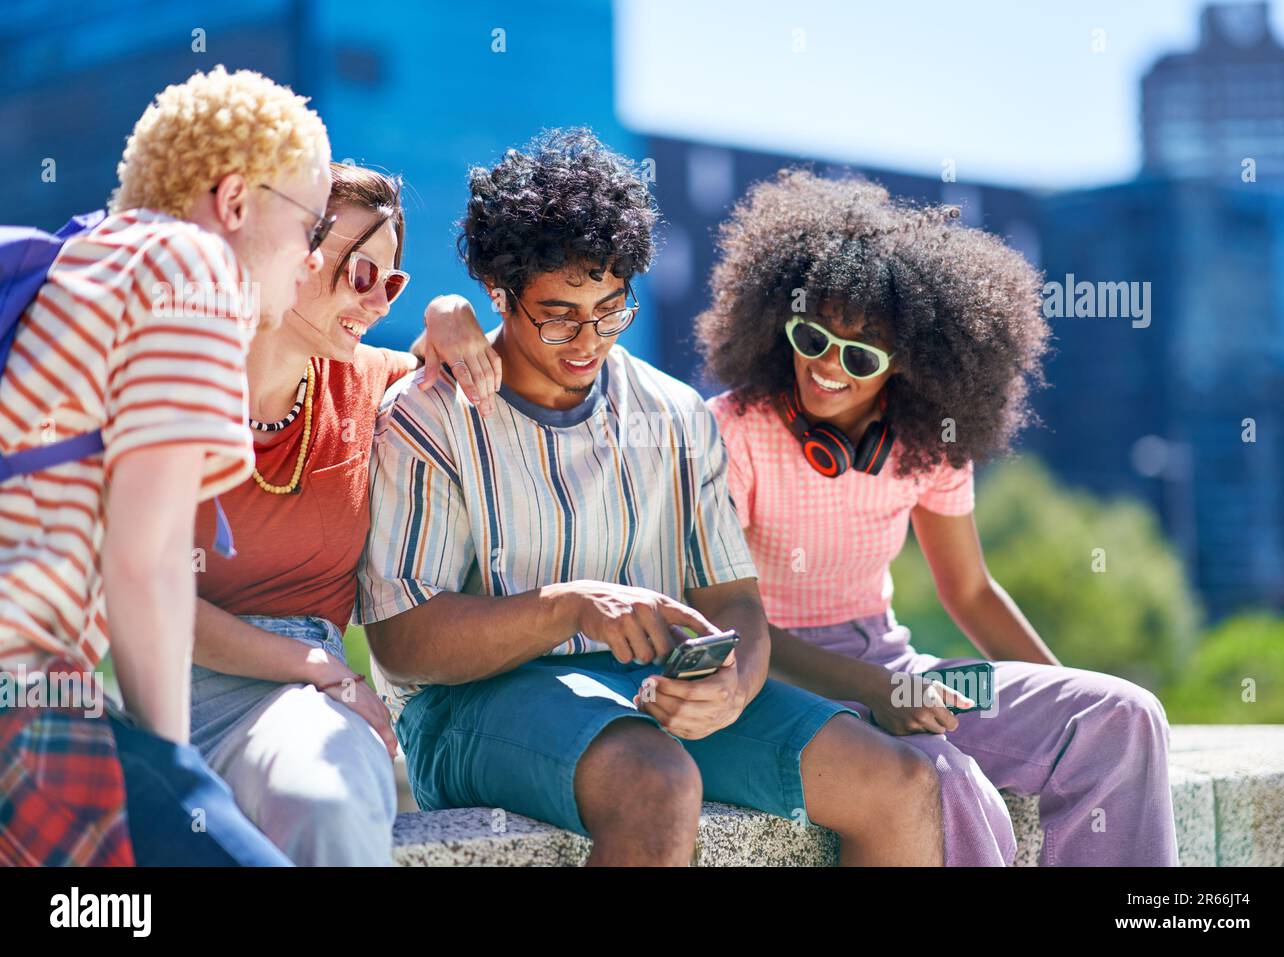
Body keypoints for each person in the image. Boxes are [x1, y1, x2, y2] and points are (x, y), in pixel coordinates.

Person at [358, 129, 948, 866]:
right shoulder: (428, 415)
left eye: (610, 309)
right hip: (466, 705)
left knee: (898, 780)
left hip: (649, 688)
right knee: (658, 780)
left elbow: (736, 603)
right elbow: (403, 640)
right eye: (559, 314)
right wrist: (570, 607)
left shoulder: (674, 413)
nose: (588, 339)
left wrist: (733, 686)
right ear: (498, 295)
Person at [695, 169, 1178, 866]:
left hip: (890, 658)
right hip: (773, 669)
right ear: (780, 326)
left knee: (1124, 716)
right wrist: (875, 691)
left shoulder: (932, 439)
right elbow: (726, 618)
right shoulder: (734, 429)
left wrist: (1057, 703)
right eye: (813, 337)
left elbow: (971, 591)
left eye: (860, 353)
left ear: (907, 364)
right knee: (948, 783)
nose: (829, 365)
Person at [0, 65, 334, 865]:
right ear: (235, 202)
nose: (312, 262)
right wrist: (178, 784)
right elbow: (147, 559)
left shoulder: (82, 260)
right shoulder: (192, 266)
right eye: (312, 229)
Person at [188, 162, 437, 866]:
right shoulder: (174, 382)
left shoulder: (367, 376)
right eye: (362, 273)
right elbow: (146, 601)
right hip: (162, 687)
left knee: (321, 800)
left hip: (303, 705)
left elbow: (444, 364)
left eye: (393, 283)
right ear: (289, 246)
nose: (379, 301)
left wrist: (446, 321)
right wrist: (321, 666)